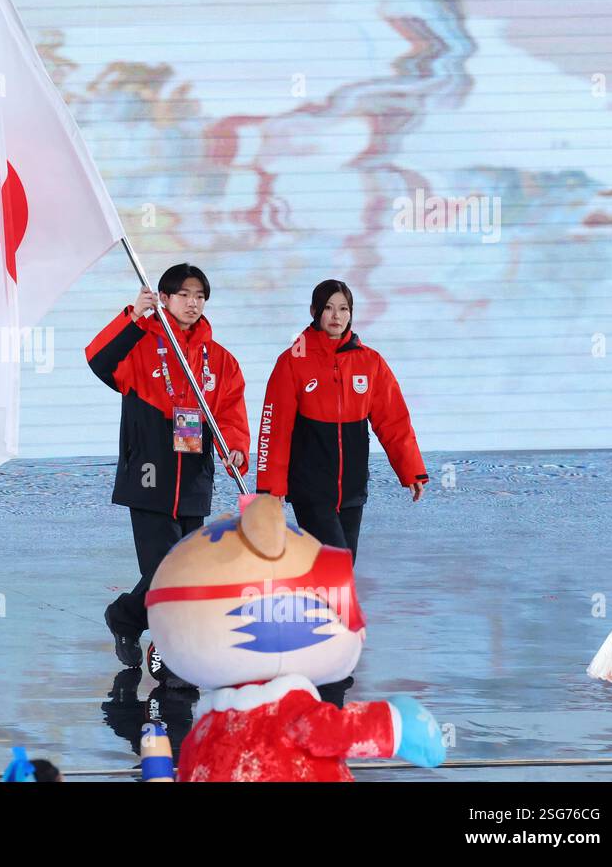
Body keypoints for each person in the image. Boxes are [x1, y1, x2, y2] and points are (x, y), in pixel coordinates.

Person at [86, 263, 250, 669]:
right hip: (149, 476)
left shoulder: (220, 359)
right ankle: (173, 654)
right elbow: (98, 360)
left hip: (194, 480)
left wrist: (237, 451)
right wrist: (133, 316)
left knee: (184, 571)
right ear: (164, 298)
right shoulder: (139, 346)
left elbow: (230, 414)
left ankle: (125, 617)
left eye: (199, 297)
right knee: (169, 573)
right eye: (183, 295)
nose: (192, 303)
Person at [256, 278, 427, 561]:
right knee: (333, 564)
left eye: (344, 309)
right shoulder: (292, 361)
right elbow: (275, 429)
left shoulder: (370, 362)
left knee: (342, 564)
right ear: (314, 311)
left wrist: (411, 470)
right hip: (310, 489)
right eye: (328, 308)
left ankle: (321, 606)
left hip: (352, 489)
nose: (336, 316)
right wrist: (271, 488)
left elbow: (393, 420)